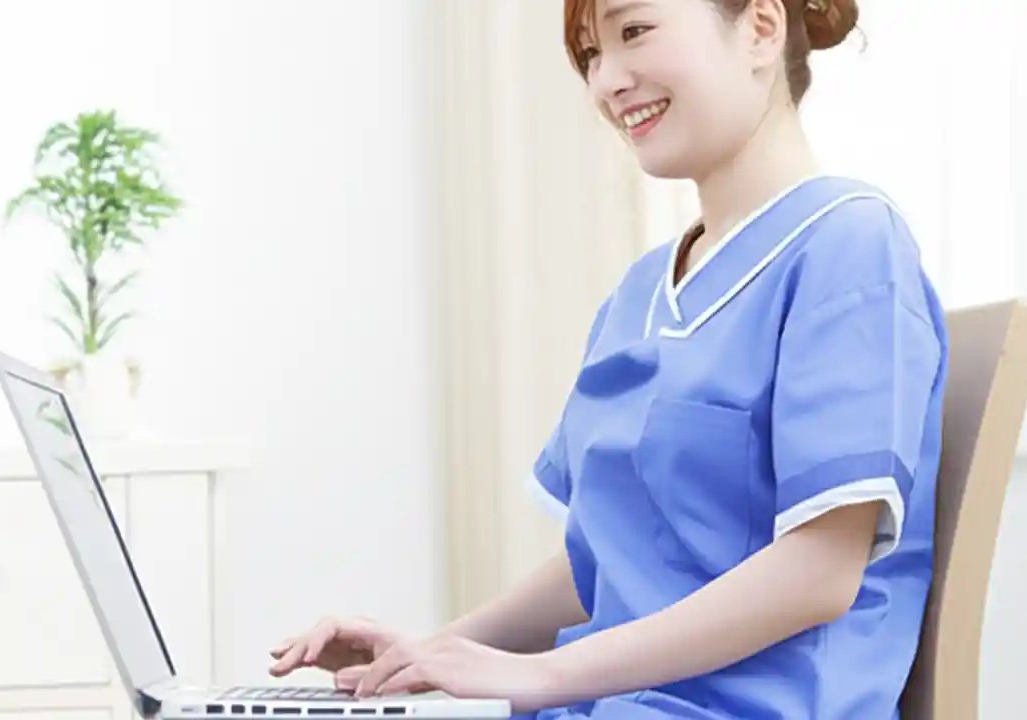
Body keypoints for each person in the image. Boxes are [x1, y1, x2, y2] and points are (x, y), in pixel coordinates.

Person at [268, 0, 949, 717]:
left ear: (760, 28)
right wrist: (427, 658)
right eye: (591, 55)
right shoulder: (641, 292)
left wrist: (543, 676)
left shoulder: (848, 244)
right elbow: (605, 558)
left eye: (634, 32)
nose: (606, 82)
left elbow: (820, 571)